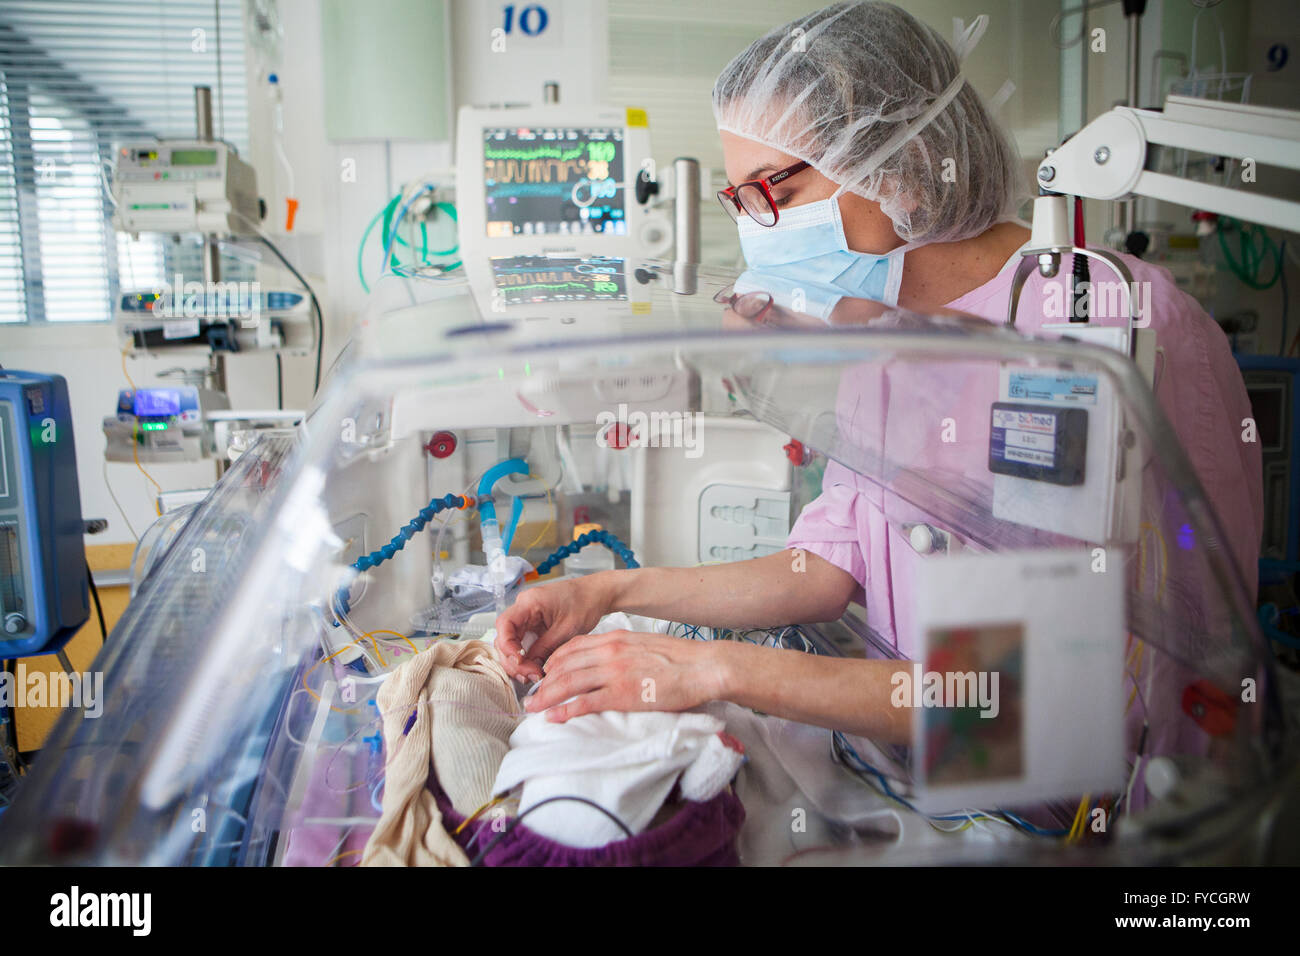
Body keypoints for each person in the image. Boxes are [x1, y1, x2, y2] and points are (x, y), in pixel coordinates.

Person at [493, 1, 1262, 744]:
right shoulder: (881, 329)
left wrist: (711, 668)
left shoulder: (1102, 323)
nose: (757, 231)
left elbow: (1029, 693)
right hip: (944, 779)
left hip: (1106, 808)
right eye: (739, 200)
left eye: (776, 193)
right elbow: (826, 565)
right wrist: (610, 592)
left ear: (906, 169)